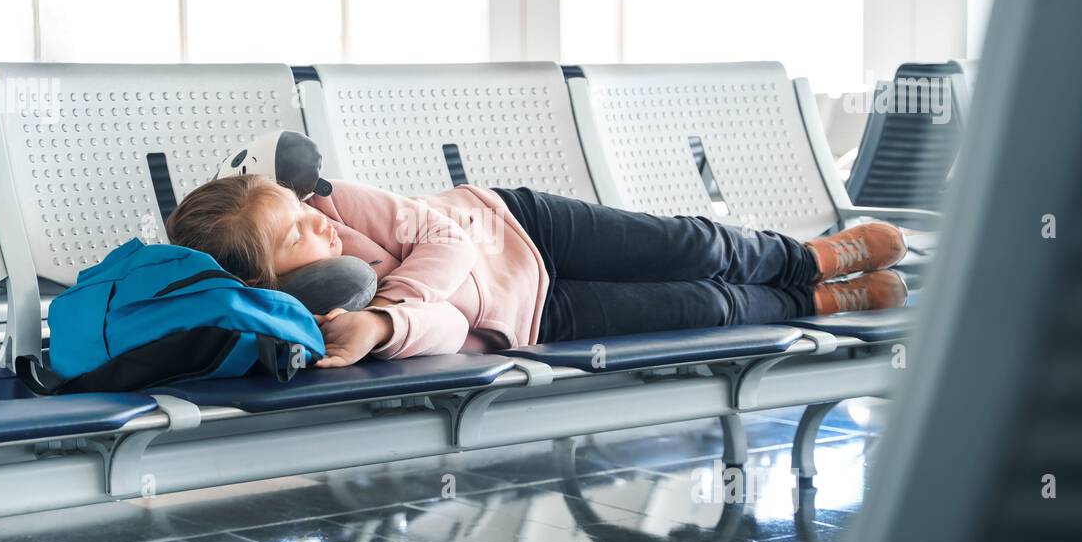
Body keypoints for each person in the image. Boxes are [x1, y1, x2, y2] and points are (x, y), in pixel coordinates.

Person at [166, 175, 907, 368]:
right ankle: (817, 298)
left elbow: (444, 235)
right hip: (536, 320)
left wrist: (396, 299)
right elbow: (454, 326)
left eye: (302, 208)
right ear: (275, 281)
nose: (318, 220)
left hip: (519, 226)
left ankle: (809, 256)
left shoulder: (340, 202)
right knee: (701, 307)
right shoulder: (333, 321)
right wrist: (384, 326)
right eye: (298, 234)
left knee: (694, 248)